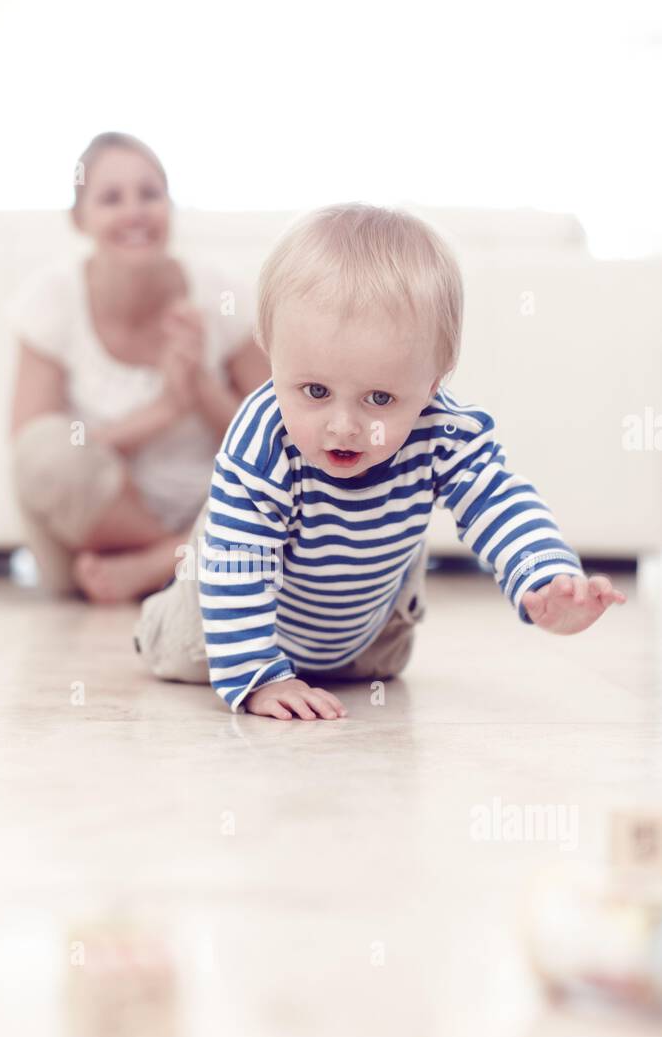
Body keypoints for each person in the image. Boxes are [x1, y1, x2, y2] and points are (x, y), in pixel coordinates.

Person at [133, 203, 628, 717]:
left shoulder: (441, 432)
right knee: (190, 630)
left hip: (363, 637)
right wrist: (258, 678)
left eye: (380, 399)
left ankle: (326, 656)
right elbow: (239, 559)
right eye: (316, 390)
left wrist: (544, 576)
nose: (344, 425)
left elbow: (496, 498)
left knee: (378, 670)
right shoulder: (265, 439)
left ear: (433, 382)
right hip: (228, 616)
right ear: (270, 354)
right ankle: (167, 608)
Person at [8, 132, 269, 602]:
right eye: (111, 198)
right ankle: (182, 561)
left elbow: (277, 440)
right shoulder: (51, 299)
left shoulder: (220, 295)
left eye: (150, 194)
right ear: (79, 218)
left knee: (304, 480)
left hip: (209, 510)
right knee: (43, 449)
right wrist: (164, 410)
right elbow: (34, 455)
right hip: (94, 539)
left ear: (170, 206)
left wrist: (202, 386)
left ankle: (162, 567)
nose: (135, 212)